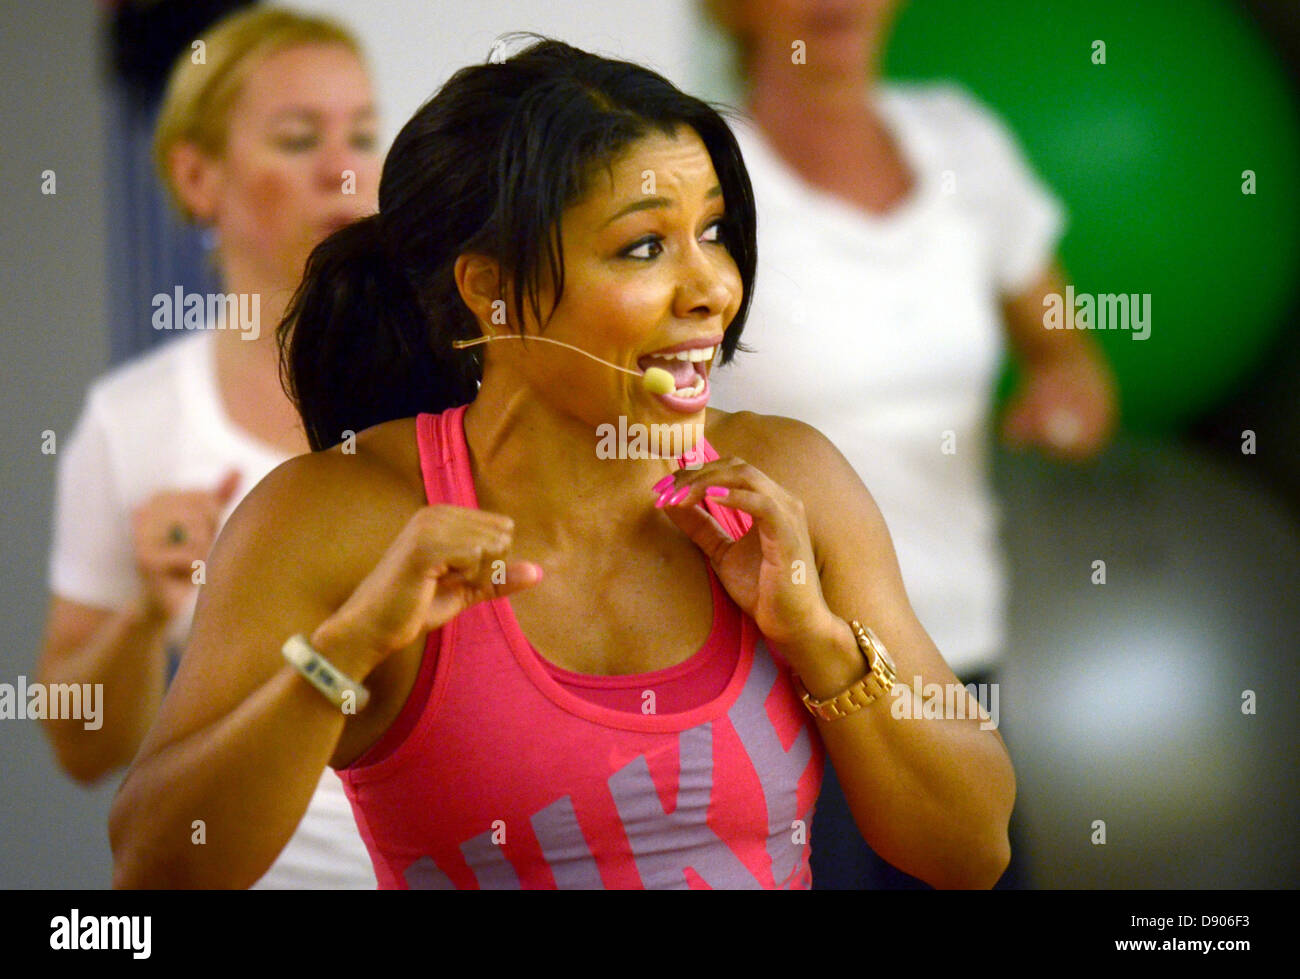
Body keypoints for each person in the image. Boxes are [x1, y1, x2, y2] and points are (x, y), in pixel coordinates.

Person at [107, 35, 1015, 890]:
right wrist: (345, 653)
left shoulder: (790, 480)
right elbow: (155, 862)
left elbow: (971, 848)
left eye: (714, 232)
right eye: (645, 247)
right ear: (490, 290)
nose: (712, 290)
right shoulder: (336, 512)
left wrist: (818, 639)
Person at [698, 1, 1118, 887]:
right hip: (767, 685)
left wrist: (1065, 396)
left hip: (952, 662)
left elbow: (1068, 351)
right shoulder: (695, 168)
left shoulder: (963, 139)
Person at [38, 7, 382, 888]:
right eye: (299, 138)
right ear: (199, 176)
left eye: (364, 134)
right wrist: (143, 620)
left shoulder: (461, 388)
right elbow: (81, 747)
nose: (343, 169)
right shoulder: (133, 420)